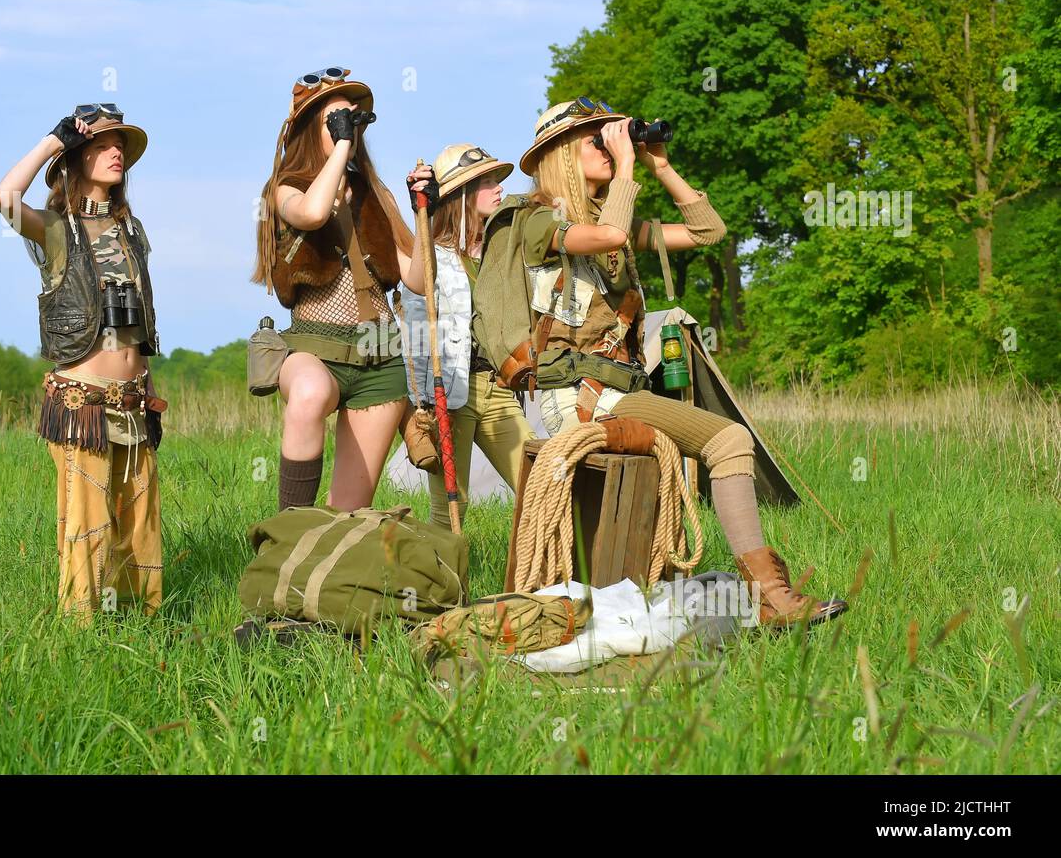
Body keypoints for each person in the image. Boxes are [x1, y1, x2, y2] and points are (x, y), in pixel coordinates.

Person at [492, 97, 846, 628]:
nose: (610, 148)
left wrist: (659, 163)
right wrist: (628, 165)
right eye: (597, 139)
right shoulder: (538, 221)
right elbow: (608, 236)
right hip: (581, 397)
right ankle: (769, 595)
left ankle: (753, 596)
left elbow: (709, 232)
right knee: (730, 440)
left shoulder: (611, 221)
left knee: (722, 441)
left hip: (618, 391)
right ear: (563, 151)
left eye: (611, 138)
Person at [0, 104, 164, 622]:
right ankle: (80, 631)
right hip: (82, 404)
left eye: (121, 147)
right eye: (103, 145)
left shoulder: (131, 230)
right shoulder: (54, 230)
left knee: (140, 525)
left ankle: (142, 628)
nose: (117, 153)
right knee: (87, 525)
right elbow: (4, 198)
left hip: (134, 401)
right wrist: (53, 140)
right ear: (75, 158)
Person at [253, 69, 430, 512]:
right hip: (316, 348)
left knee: (347, 515)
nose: (348, 126)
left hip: (379, 355)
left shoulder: (375, 194)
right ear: (312, 129)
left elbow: (419, 280)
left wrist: (428, 213)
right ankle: (286, 538)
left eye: (353, 119)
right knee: (310, 394)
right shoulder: (284, 188)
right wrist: (343, 146)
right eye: (335, 120)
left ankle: (327, 571)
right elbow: (312, 213)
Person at [400, 145, 536, 530]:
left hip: (497, 387)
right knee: (449, 509)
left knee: (538, 484)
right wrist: (422, 402)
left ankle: (544, 584)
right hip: (450, 392)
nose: (499, 189)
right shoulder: (436, 255)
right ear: (460, 195)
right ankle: (448, 591)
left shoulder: (500, 252)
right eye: (487, 182)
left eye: (498, 181)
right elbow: (415, 302)